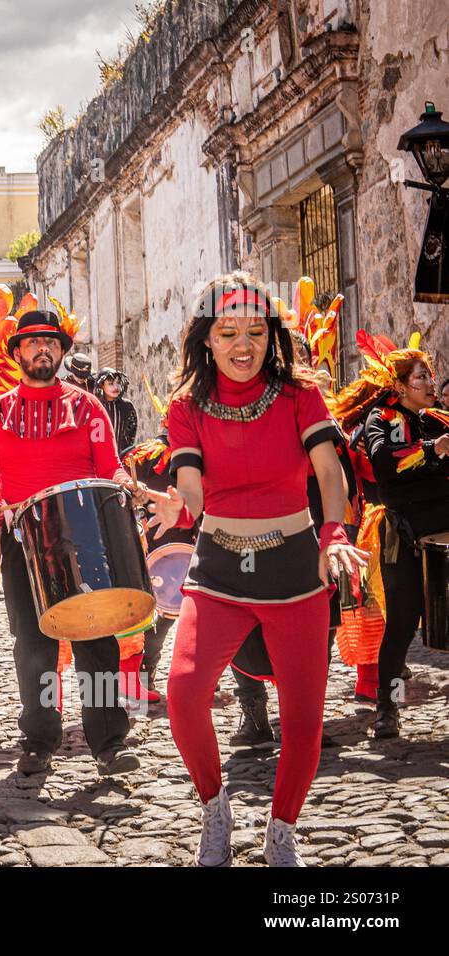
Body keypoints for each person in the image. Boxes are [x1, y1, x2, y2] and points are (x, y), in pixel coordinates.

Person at [141, 272, 366, 867]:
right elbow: (191, 481)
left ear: (270, 336)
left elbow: (328, 473)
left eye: (256, 332)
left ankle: (282, 828)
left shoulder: (299, 395)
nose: (244, 345)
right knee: (183, 693)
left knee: (304, 718)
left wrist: (335, 532)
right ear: (207, 340)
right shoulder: (188, 406)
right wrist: (179, 505)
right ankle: (215, 809)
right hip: (219, 574)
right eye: (229, 332)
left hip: (295, 574)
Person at [0, 308, 142, 778]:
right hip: (22, 539)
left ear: (62, 350)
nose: (41, 349)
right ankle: (39, 738)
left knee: (97, 639)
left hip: (85, 537)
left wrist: (122, 481)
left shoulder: (89, 407)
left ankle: (109, 742)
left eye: (50, 342)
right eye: (31, 342)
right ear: (17, 353)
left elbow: (109, 464)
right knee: (32, 644)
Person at [330, 333, 449, 739]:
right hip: (403, 536)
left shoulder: (438, 419)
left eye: (431, 375)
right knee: (400, 625)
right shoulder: (381, 421)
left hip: (444, 538)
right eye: (421, 377)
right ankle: (388, 708)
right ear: (399, 386)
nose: (431, 383)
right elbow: (384, 467)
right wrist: (432, 452)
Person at [95, 368, 138, 451]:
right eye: (110, 384)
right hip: (99, 458)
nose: (116, 387)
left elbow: (131, 434)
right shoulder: (95, 406)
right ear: (102, 385)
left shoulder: (127, 406)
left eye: (118, 383)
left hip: (121, 457)